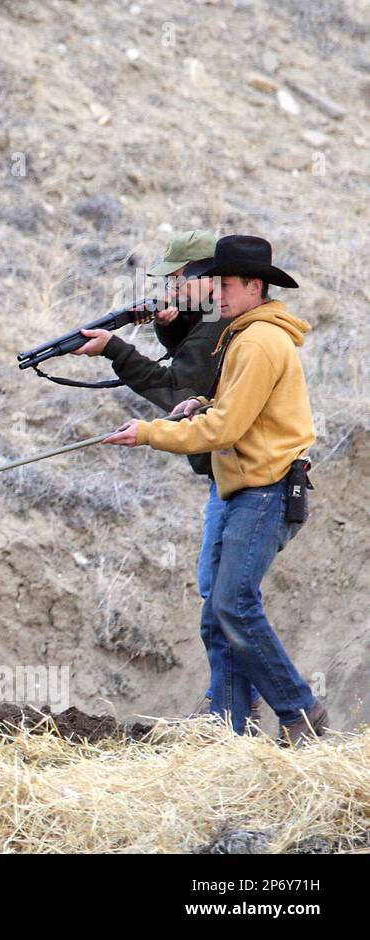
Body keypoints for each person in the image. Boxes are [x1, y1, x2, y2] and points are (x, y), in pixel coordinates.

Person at [103, 235, 326, 744]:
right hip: (242, 487)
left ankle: (299, 708)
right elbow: (225, 413)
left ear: (253, 285)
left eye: (224, 283)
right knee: (219, 610)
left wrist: (149, 433)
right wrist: (198, 403)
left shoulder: (258, 341)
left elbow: (224, 431)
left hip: (264, 489)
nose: (215, 293)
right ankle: (229, 726)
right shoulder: (241, 335)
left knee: (233, 605)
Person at [71, 230, 260, 720]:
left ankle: (244, 712)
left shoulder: (226, 326)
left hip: (244, 477)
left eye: (178, 280)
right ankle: (231, 714)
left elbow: (177, 394)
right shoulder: (213, 322)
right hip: (231, 474)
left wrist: (116, 348)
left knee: (227, 604)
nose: (170, 289)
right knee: (221, 601)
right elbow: (192, 369)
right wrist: (168, 329)